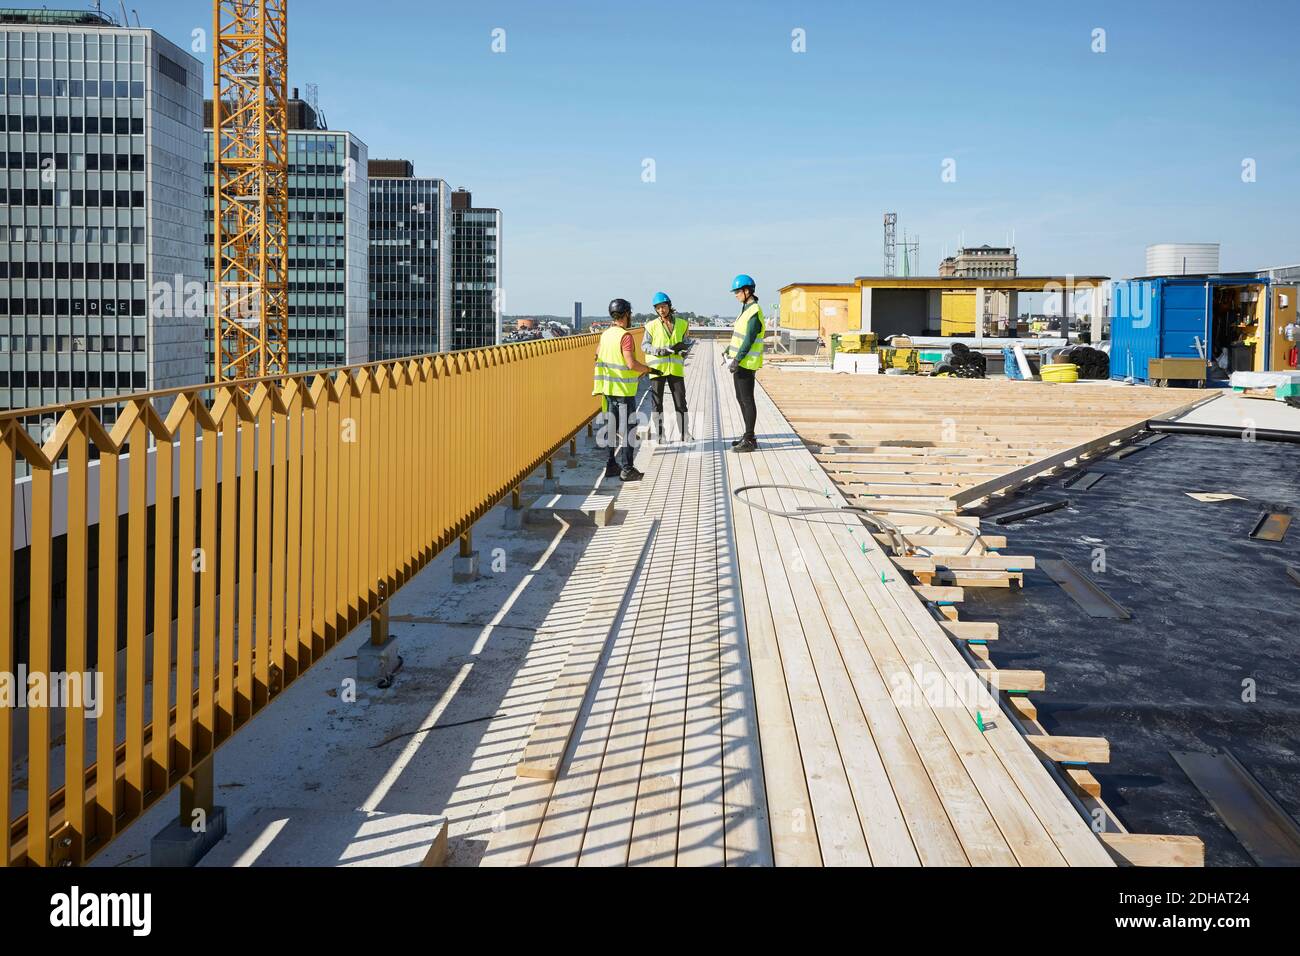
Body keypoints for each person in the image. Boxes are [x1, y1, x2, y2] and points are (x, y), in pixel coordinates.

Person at [593, 298, 654, 481]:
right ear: (626, 314)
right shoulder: (624, 336)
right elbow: (631, 363)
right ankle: (627, 469)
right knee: (628, 429)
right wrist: (648, 369)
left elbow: (597, 355)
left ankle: (611, 465)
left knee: (612, 427)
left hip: (609, 389)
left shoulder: (606, 334)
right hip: (623, 391)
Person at [642, 291, 692, 443]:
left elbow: (687, 342)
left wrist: (683, 350)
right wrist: (659, 351)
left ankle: (685, 433)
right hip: (657, 369)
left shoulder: (683, 324)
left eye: (663, 306)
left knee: (681, 402)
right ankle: (660, 435)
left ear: (669, 306)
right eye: (658, 308)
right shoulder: (650, 326)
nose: (661, 310)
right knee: (657, 404)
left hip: (675, 369)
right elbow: (644, 346)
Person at [725, 274, 765, 452]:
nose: (735, 295)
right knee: (740, 398)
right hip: (740, 362)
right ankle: (748, 435)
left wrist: (737, 359)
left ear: (747, 291)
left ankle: (749, 440)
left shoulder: (754, 312)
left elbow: (748, 340)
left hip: (746, 363)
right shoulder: (745, 309)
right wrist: (728, 350)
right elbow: (739, 337)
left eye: (738, 291)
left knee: (747, 399)